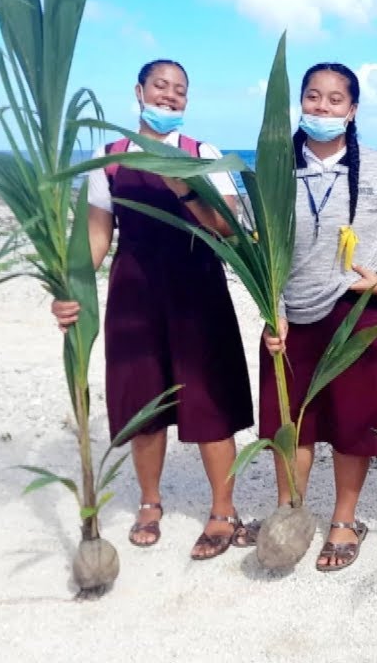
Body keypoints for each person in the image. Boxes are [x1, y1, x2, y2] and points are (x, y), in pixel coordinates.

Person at [50, 59, 254, 560]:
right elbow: (98, 235)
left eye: (179, 90)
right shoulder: (109, 157)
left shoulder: (202, 154)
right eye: (160, 86)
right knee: (145, 399)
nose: (169, 96)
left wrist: (184, 183)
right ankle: (149, 501)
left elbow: (226, 226)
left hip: (198, 290)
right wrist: (69, 288)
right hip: (135, 290)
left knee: (208, 398)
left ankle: (223, 508)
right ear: (139, 92)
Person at [253, 62, 377, 571]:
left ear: (352, 109)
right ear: (300, 102)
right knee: (291, 419)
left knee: (351, 421)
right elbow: (261, 248)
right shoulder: (274, 170)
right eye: (313, 97)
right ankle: (290, 512)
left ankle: (344, 519)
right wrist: (273, 311)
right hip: (290, 315)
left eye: (335, 99)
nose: (322, 107)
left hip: (359, 311)